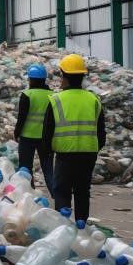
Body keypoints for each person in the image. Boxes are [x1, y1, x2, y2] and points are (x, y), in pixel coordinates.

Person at [42, 54, 106, 222]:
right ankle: (81, 228)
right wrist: (93, 148)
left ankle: (63, 229)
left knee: (62, 192)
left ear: (65, 76)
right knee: (82, 192)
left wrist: (48, 151)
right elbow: (101, 133)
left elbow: (47, 132)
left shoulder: (57, 100)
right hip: (88, 154)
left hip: (65, 155)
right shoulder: (94, 99)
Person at [14, 64, 54, 192]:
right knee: (48, 168)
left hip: (27, 137)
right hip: (46, 139)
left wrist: (17, 133)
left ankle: (28, 195)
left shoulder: (27, 94)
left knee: (25, 168)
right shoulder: (53, 96)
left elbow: (22, 117)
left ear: (30, 79)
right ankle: (58, 198)